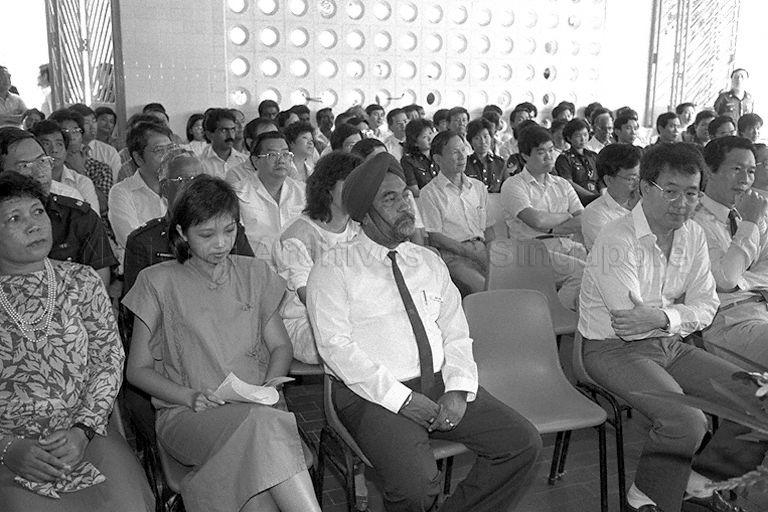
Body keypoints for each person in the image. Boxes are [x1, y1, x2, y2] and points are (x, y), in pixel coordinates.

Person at [306, 151, 542, 512]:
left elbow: (456, 332)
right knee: (416, 488)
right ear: (364, 213)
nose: (405, 206)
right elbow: (335, 349)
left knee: (522, 444)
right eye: (390, 199)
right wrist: (402, 399)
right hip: (371, 393)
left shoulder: (428, 261)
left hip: (439, 382)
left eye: (405, 195)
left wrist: (459, 389)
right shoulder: (333, 268)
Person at [579, 141, 767, 512]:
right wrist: (677, 313)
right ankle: (647, 500)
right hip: (612, 349)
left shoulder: (692, 234)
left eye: (692, 193)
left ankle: (699, 483)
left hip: (670, 344)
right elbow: (629, 324)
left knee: (759, 399)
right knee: (686, 420)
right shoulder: (616, 238)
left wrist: (664, 316)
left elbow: (707, 305)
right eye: (671, 192)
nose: (682, 203)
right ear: (645, 188)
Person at [123, 176, 321, 512]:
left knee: (260, 463)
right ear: (182, 232)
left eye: (229, 231)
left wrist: (269, 386)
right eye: (206, 235)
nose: (221, 244)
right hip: (188, 414)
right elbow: (137, 370)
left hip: (258, 407)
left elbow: (280, 347)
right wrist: (190, 396)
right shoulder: (157, 281)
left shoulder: (255, 273)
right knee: (264, 433)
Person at [0, 172, 154, 511]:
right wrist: (7, 447)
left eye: (38, 212)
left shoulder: (81, 281)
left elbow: (108, 360)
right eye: (14, 218)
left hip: (84, 434)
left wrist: (82, 429)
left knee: (126, 504)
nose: (33, 225)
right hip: (10, 448)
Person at [274, 151, 362, 364]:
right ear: (328, 187)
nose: (357, 190)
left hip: (355, 314)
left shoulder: (360, 227)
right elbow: (308, 295)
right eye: (349, 182)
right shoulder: (297, 235)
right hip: (304, 322)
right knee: (359, 340)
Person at [0, 127, 116, 286]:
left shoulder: (79, 217)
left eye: (42, 161)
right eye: (25, 166)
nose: (40, 172)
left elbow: (99, 286)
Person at [692, 136, 768, 370]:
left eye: (751, 171)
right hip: (729, 322)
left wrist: (744, 281)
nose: (745, 180)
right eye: (737, 169)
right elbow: (726, 280)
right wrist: (750, 223)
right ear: (709, 171)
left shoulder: (751, 211)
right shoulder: (694, 220)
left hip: (762, 311)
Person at [501, 125, 586, 310]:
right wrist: (566, 215)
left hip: (566, 244)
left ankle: (578, 322)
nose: (549, 157)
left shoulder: (562, 184)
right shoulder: (513, 185)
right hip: (530, 251)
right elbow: (536, 220)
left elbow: (582, 219)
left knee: (601, 269)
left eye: (551, 150)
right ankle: (554, 317)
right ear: (525, 156)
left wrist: (552, 227)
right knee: (582, 272)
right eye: (541, 152)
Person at [420, 130, 494, 294]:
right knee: (484, 288)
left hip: (482, 250)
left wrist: (493, 254)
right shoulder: (430, 193)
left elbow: (489, 229)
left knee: (510, 279)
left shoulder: (478, 187)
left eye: (463, 150)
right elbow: (435, 236)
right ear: (438, 159)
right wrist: (472, 254)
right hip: (454, 256)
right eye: (455, 152)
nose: (462, 156)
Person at [226, 131, 305, 261]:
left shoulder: (303, 192)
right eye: (272, 155)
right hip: (256, 267)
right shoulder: (237, 194)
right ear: (255, 161)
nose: (281, 160)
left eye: (285, 154)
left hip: (298, 267)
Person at [108, 121, 173, 253]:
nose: (168, 156)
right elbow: (132, 241)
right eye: (159, 150)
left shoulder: (182, 186)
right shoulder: (121, 192)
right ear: (138, 158)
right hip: (142, 263)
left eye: (170, 149)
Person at [30, 120, 100, 215]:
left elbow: (93, 220)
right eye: (46, 144)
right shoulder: (30, 182)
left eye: (59, 144)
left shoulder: (82, 182)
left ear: (66, 150)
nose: (54, 150)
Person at [581, 144, 642, 250]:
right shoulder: (595, 214)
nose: (638, 183)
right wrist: (637, 212)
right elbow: (620, 251)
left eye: (640, 176)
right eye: (631, 179)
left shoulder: (647, 202)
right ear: (609, 180)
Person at [69, 104, 122, 180]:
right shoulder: (66, 152)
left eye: (94, 121)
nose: (92, 126)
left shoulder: (109, 152)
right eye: (86, 122)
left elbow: (115, 183)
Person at [555, 118, 600, 204]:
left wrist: (603, 196)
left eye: (585, 134)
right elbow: (568, 183)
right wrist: (592, 197)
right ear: (569, 138)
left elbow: (601, 179)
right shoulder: (564, 158)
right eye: (578, 136)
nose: (583, 139)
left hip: (598, 198)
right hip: (578, 201)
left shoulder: (593, 156)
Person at [199, 109, 248, 179]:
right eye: (224, 130)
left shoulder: (244, 161)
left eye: (232, 129)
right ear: (209, 134)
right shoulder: (200, 163)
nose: (230, 135)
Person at [464, 118, 508, 193]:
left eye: (485, 136)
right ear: (470, 142)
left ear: (491, 138)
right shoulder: (465, 164)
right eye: (477, 138)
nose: (483, 141)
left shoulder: (500, 164)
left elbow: (507, 189)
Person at [400, 119, 438, 196]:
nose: (430, 138)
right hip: (425, 200)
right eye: (424, 137)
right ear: (415, 143)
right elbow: (414, 191)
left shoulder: (439, 153)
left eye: (430, 133)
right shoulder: (408, 160)